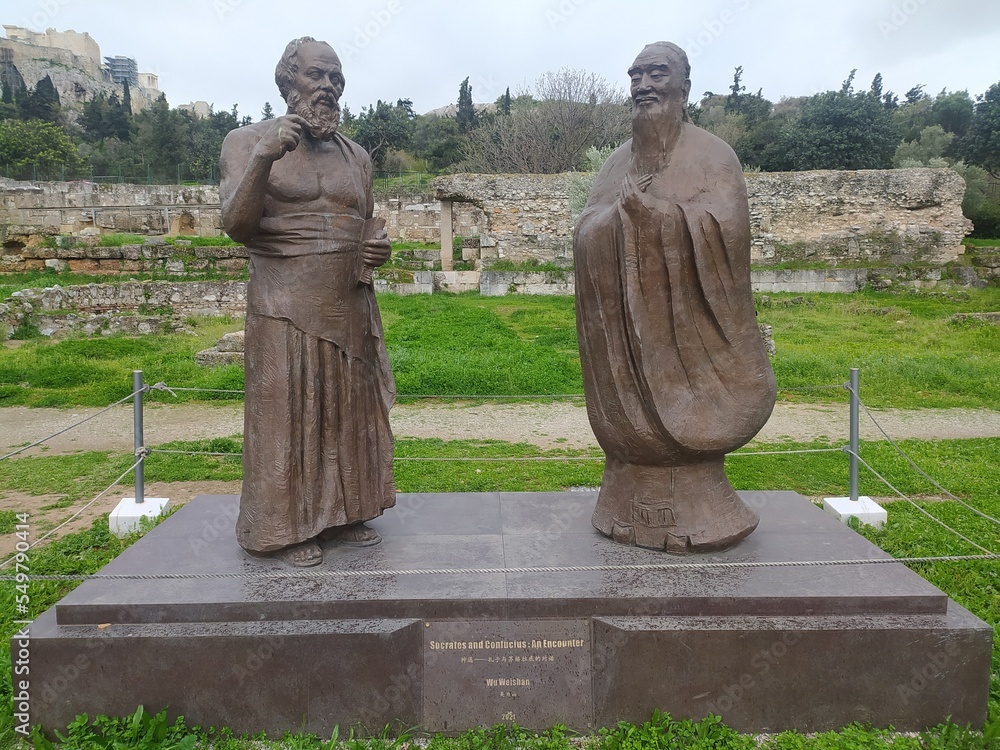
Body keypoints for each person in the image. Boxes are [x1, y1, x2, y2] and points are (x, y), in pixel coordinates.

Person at [573, 42, 777, 553]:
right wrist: (618, 222)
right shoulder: (618, 161)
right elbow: (588, 227)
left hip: (688, 332)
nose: (643, 85)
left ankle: (700, 503)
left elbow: (728, 231)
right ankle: (626, 498)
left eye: (656, 73)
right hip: (628, 336)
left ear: (684, 85)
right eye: (635, 74)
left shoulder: (714, 155)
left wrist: (657, 219)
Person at [220, 37, 395, 567]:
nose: (328, 87)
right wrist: (262, 159)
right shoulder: (245, 140)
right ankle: (285, 528)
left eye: (336, 79)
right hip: (283, 305)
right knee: (288, 416)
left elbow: (362, 224)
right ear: (288, 81)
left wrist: (374, 247)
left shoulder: (356, 157)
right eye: (317, 75)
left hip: (348, 305)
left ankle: (344, 514)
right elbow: (235, 224)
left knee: (347, 415)